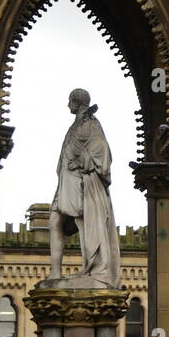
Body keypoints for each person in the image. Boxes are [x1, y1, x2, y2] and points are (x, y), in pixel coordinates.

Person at [49, 87, 121, 286]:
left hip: (82, 184)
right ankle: (55, 272)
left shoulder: (92, 123)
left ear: (78, 102)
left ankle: (94, 268)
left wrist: (81, 162)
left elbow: (102, 151)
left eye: (70, 101)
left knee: (85, 223)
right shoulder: (77, 124)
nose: (68, 105)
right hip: (67, 182)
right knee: (55, 221)